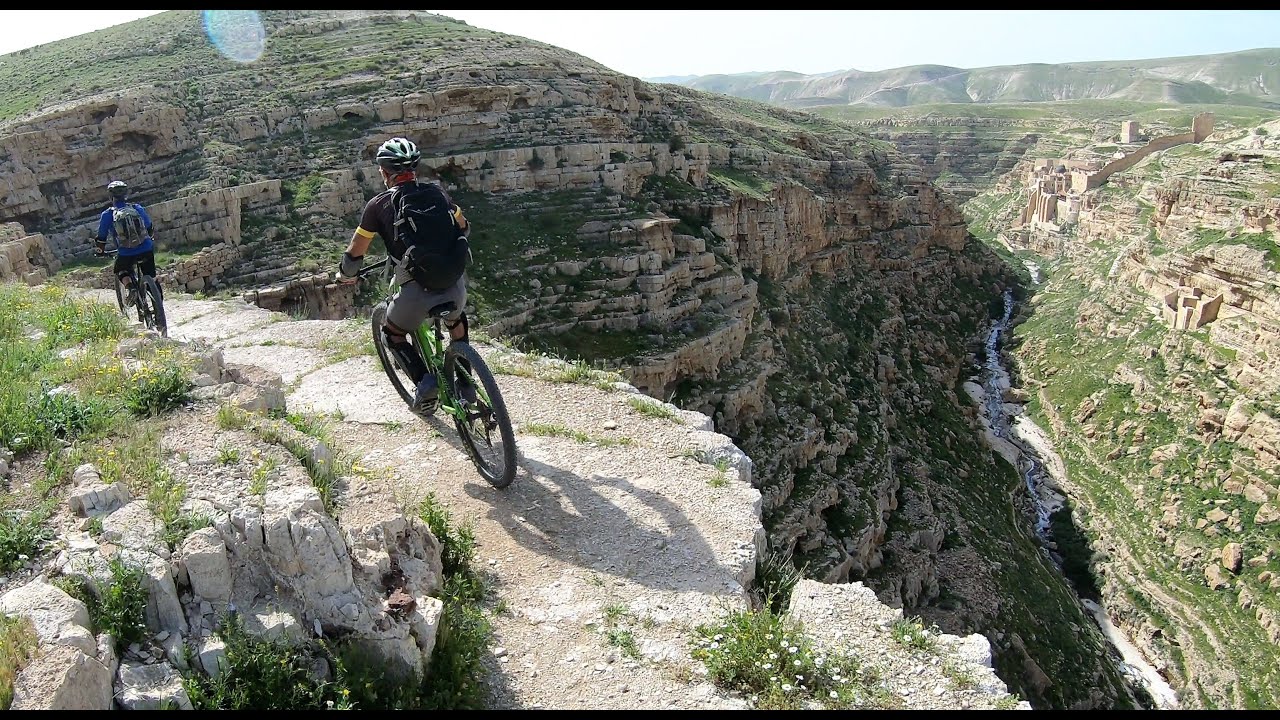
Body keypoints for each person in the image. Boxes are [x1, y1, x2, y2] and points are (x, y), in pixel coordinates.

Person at [335, 137, 473, 413]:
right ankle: (466, 383)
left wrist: (344, 275)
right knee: (456, 320)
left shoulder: (377, 206)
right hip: (454, 284)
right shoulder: (438, 194)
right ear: (415, 168)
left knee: (392, 333)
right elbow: (464, 227)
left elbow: (354, 254)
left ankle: (425, 382)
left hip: (415, 295)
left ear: (385, 172)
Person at [94, 180, 158, 308]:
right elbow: (149, 226)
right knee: (151, 276)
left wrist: (100, 251)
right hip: (146, 248)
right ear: (126, 194)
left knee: (120, 270)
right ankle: (158, 303)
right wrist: (150, 239)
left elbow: (101, 237)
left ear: (110, 196)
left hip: (125, 252)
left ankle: (130, 288)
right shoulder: (137, 208)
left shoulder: (108, 214)